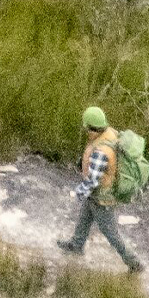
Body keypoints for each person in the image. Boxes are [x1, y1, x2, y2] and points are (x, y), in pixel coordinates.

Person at [56, 105, 142, 273]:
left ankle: (133, 262)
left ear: (90, 128)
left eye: (86, 127)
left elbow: (93, 179)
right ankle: (76, 245)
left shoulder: (101, 151)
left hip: (103, 198)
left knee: (110, 233)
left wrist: (78, 193)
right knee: (84, 218)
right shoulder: (110, 133)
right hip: (96, 195)